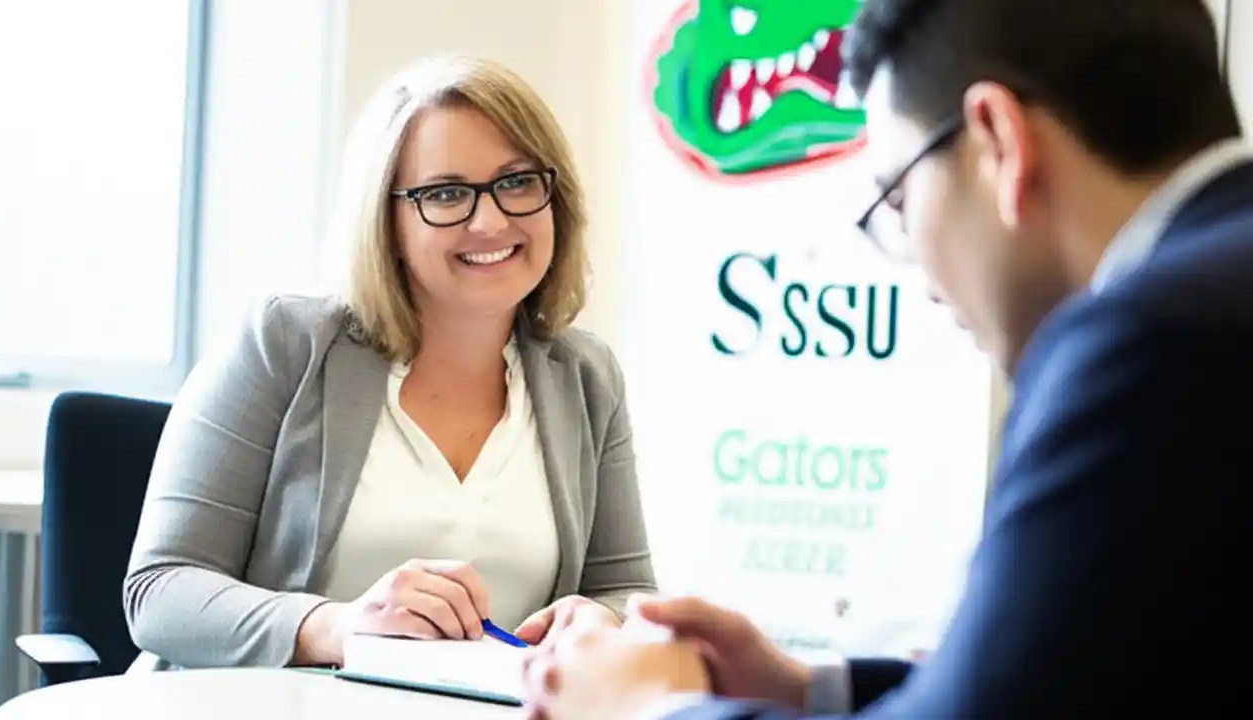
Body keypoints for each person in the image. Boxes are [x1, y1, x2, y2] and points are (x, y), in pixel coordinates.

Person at [521, 0, 1251, 717]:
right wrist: (805, 691)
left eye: (897, 202)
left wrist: (640, 708)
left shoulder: (1147, 344)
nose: (924, 282)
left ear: (998, 141)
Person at [122, 55, 655, 671]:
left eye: (517, 183)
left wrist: (604, 619)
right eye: (445, 194)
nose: (490, 220)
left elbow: (626, 588)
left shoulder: (587, 376)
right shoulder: (283, 344)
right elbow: (160, 591)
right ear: (385, 220)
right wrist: (338, 626)